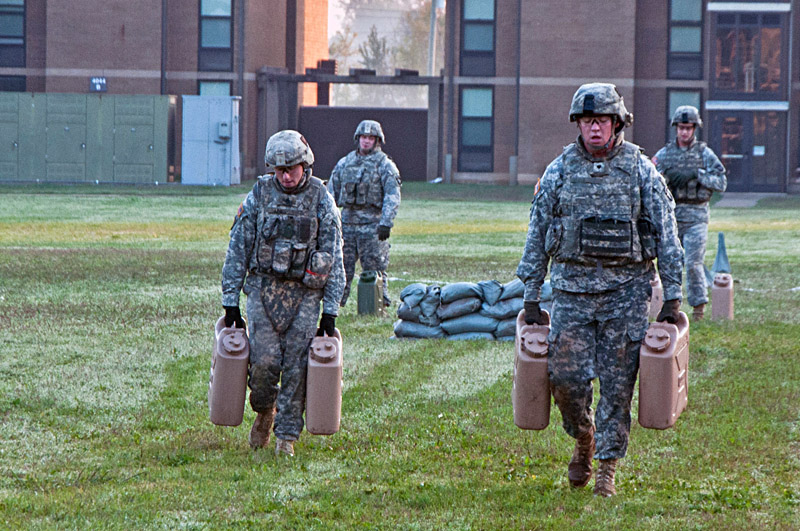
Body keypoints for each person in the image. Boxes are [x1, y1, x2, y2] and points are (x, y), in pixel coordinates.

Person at [516, 83, 684, 497]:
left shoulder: (640, 169)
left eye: (602, 121)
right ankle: (583, 437)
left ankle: (607, 467)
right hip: (572, 292)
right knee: (565, 378)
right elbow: (537, 233)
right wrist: (531, 294)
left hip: (625, 292)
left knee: (617, 384)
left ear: (617, 123)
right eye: (588, 121)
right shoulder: (559, 170)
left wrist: (673, 294)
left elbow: (667, 232)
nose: (594, 128)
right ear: (578, 124)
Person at [221, 130, 345, 456]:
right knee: (263, 364)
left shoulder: (321, 199)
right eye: (279, 170)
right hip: (263, 291)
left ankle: (286, 437)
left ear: (305, 165)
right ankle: (265, 410)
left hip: (304, 295)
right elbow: (237, 248)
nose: (286, 176)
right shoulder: (259, 195)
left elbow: (334, 256)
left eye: (291, 169)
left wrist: (330, 311)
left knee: (296, 367)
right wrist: (230, 302)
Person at [653, 105, 727, 321]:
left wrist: (697, 174)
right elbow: (650, 180)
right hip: (672, 217)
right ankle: (670, 306)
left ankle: (698, 309)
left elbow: (721, 182)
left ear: (695, 129)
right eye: (681, 128)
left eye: (688, 128)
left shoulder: (705, 154)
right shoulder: (664, 155)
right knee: (670, 263)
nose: (684, 132)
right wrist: (667, 177)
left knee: (694, 262)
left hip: (697, 216)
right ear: (675, 128)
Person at [327, 119, 401, 308]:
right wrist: (328, 220)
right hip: (347, 224)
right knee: (340, 268)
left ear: (377, 140)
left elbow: (392, 194)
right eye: (363, 137)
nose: (366, 141)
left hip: (372, 226)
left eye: (370, 138)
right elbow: (330, 194)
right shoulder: (345, 163)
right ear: (357, 139)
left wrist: (386, 222)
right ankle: (335, 306)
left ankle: (376, 306)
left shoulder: (384, 165)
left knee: (374, 268)